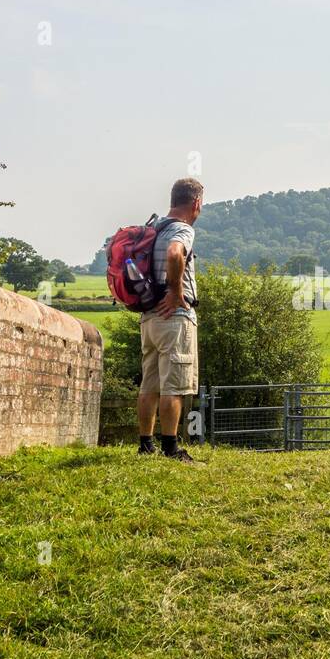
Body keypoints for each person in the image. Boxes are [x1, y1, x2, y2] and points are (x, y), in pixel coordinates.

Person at [136, 177, 202, 462]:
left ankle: (145, 443)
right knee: (174, 385)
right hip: (173, 316)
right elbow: (176, 253)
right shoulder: (181, 229)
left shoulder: (153, 228)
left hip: (149, 316)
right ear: (196, 203)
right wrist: (176, 291)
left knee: (149, 383)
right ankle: (171, 447)